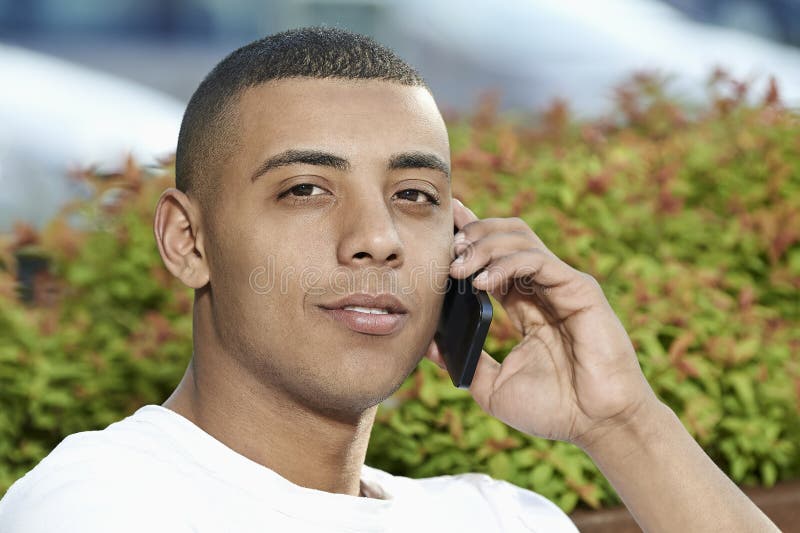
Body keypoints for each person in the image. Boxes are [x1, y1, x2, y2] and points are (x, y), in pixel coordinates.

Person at [0, 26, 779, 533]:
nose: (376, 238)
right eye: (305, 188)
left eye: (414, 196)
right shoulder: (102, 503)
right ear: (187, 239)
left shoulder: (502, 517)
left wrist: (624, 422)